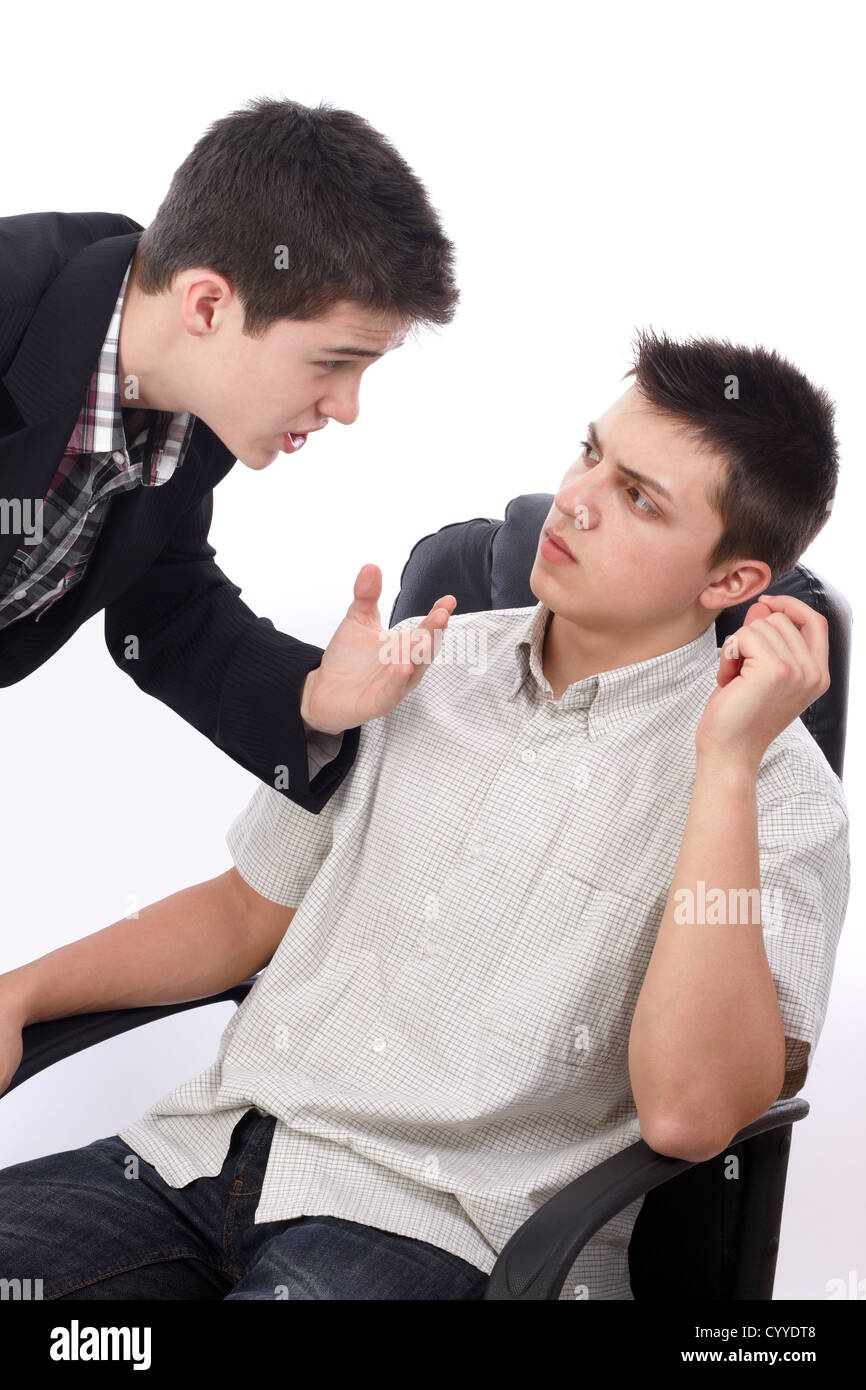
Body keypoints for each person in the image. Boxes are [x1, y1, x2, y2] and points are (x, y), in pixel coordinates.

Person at [0, 331, 849, 1300]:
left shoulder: (775, 793)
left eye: (636, 497)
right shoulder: (418, 664)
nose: (573, 498)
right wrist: (16, 992)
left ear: (730, 582)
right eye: (589, 454)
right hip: (200, 1158)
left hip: (443, 1231)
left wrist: (724, 768)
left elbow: (690, 1115)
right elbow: (245, 914)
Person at [0, 96, 459, 815]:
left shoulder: (190, 407)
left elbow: (168, 605)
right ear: (209, 306)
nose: (347, 408)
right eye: (332, 362)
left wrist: (312, 696)